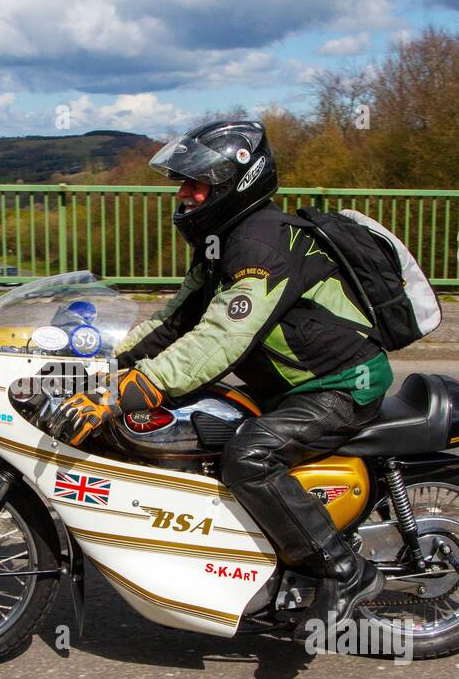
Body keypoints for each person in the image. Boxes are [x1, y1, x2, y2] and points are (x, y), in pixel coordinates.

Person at [43, 119, 390, 628]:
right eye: (182, 182)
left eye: (196, 182)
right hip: (289, 384)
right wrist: (99, 371)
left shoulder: (263, 248)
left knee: (249, 458)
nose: (184, 194)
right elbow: (174, 323)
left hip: (339, 386)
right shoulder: (222, 242)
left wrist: (128, 393)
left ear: (235, 181)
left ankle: (343, 570)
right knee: (191, 427)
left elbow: (218, 341)